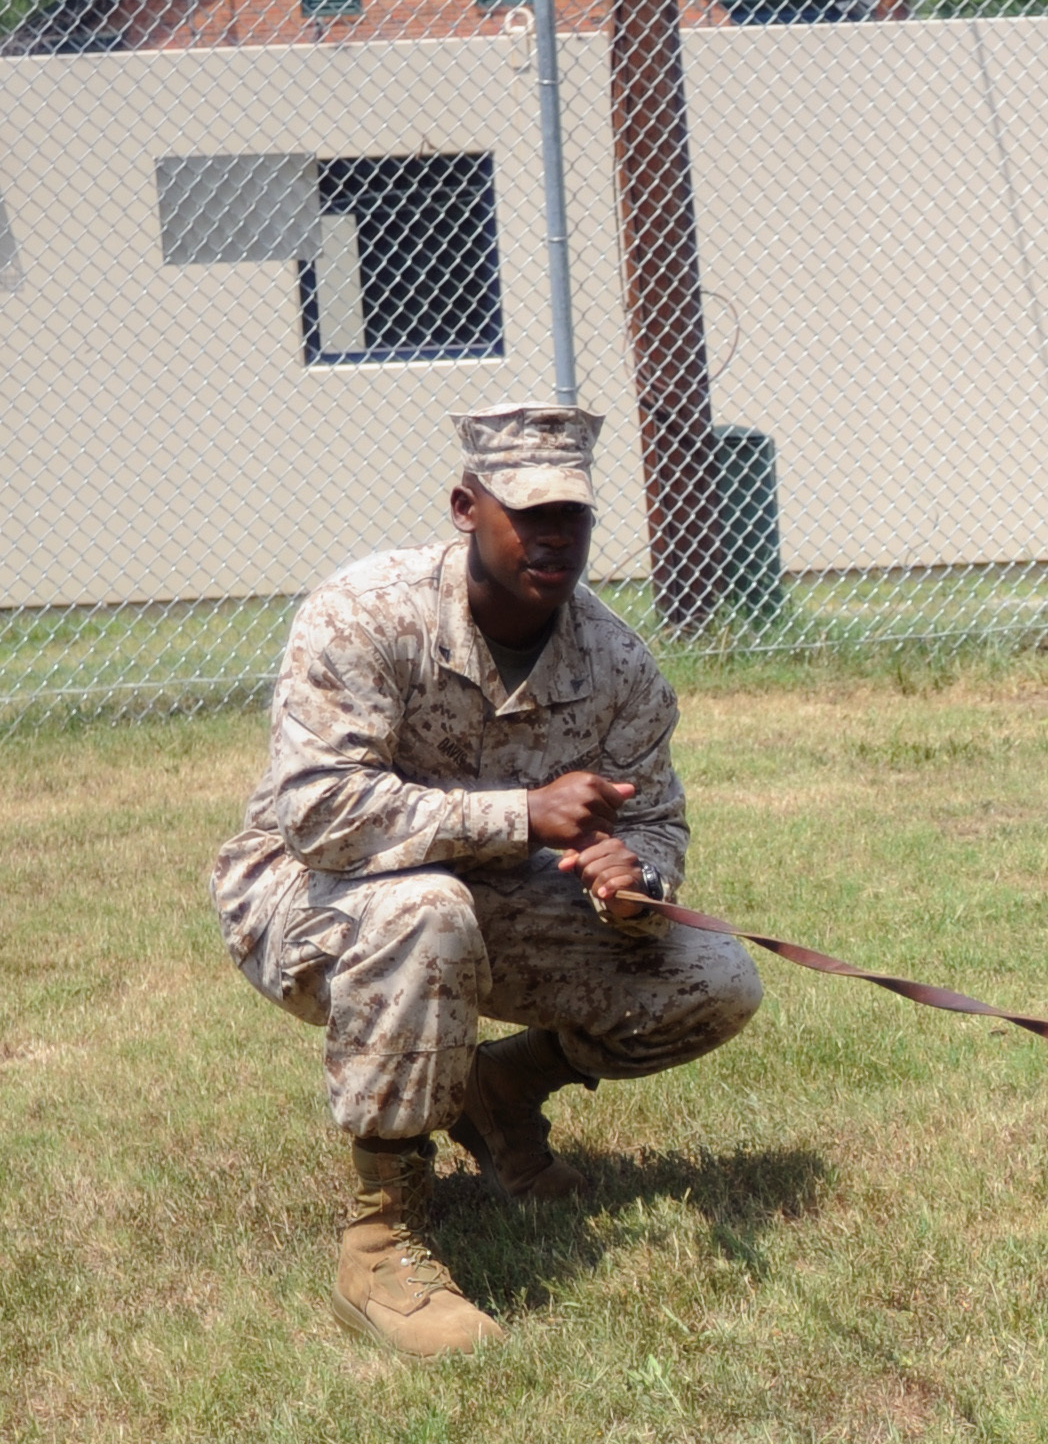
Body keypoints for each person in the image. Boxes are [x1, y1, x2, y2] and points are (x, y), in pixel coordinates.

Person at [213, 403, 761, 1358]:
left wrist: (636, 873)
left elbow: (656, 817)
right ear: (468, 506)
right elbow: (319, 812)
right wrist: (524, 815)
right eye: (530, 514)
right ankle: (380, 1243)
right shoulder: (367, 613)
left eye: (574, 518)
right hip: (307, 897)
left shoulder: (619, 664)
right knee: (427, 909)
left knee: (715, 977)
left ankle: (499, 1093)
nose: (554, 537)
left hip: (489, 897)